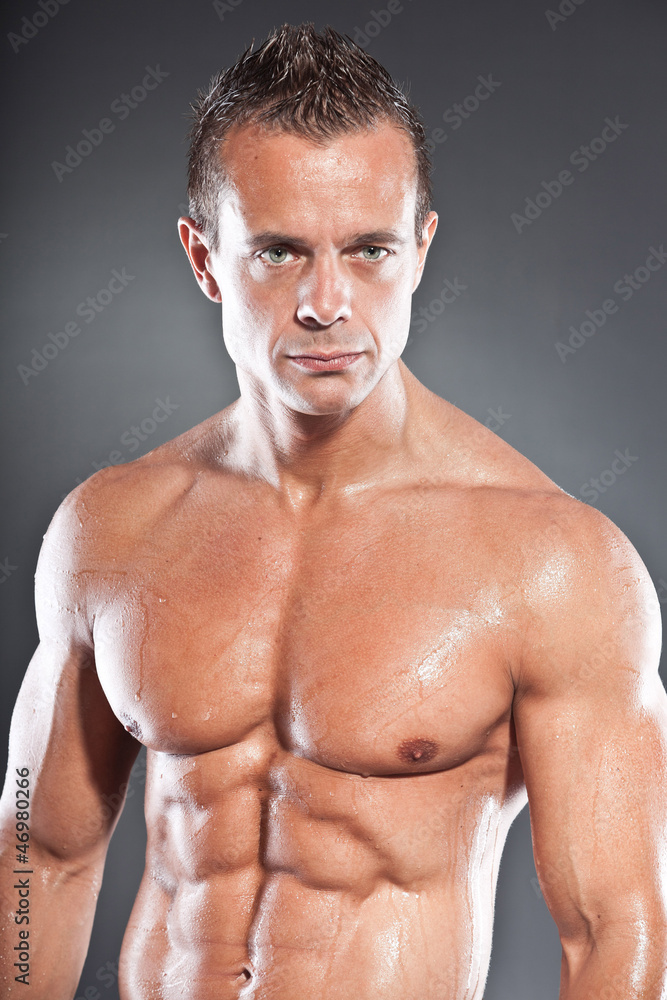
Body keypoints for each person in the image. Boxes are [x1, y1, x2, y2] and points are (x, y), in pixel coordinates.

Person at [1, 21, 666, 1000]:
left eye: (368, 251)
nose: (325, 302)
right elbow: (37, 854)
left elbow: (614, 932)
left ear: (420, 250)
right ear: (203, 258)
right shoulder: (113, 528)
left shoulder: (553, 561)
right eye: (278, 252)